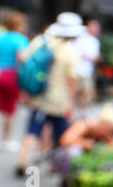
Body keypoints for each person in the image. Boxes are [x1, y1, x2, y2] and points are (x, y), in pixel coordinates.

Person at [15, 13, 84, 178]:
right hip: (59, 100)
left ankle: (22, 161)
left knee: (33, 129)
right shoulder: (70, 51)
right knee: (60, 134)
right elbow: (72, 81)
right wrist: (72, 104)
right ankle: (58, 166)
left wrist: (27, 88)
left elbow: (23, 60)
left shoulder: (41, 41)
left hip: (39, 95)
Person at [0, 12, 29, 152]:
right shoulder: (20, 39)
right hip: (11, 74)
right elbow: (22, 58)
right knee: (10, 109)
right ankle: (6, 139)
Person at [74, 19, 102, 110]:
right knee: (77, 91)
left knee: (86, 92)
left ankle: (82, 110)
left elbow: (95, 56)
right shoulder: (82, 38)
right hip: (78, 69)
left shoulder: (96, 41)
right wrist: (91, 57)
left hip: (87, 71)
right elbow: (77, 53)